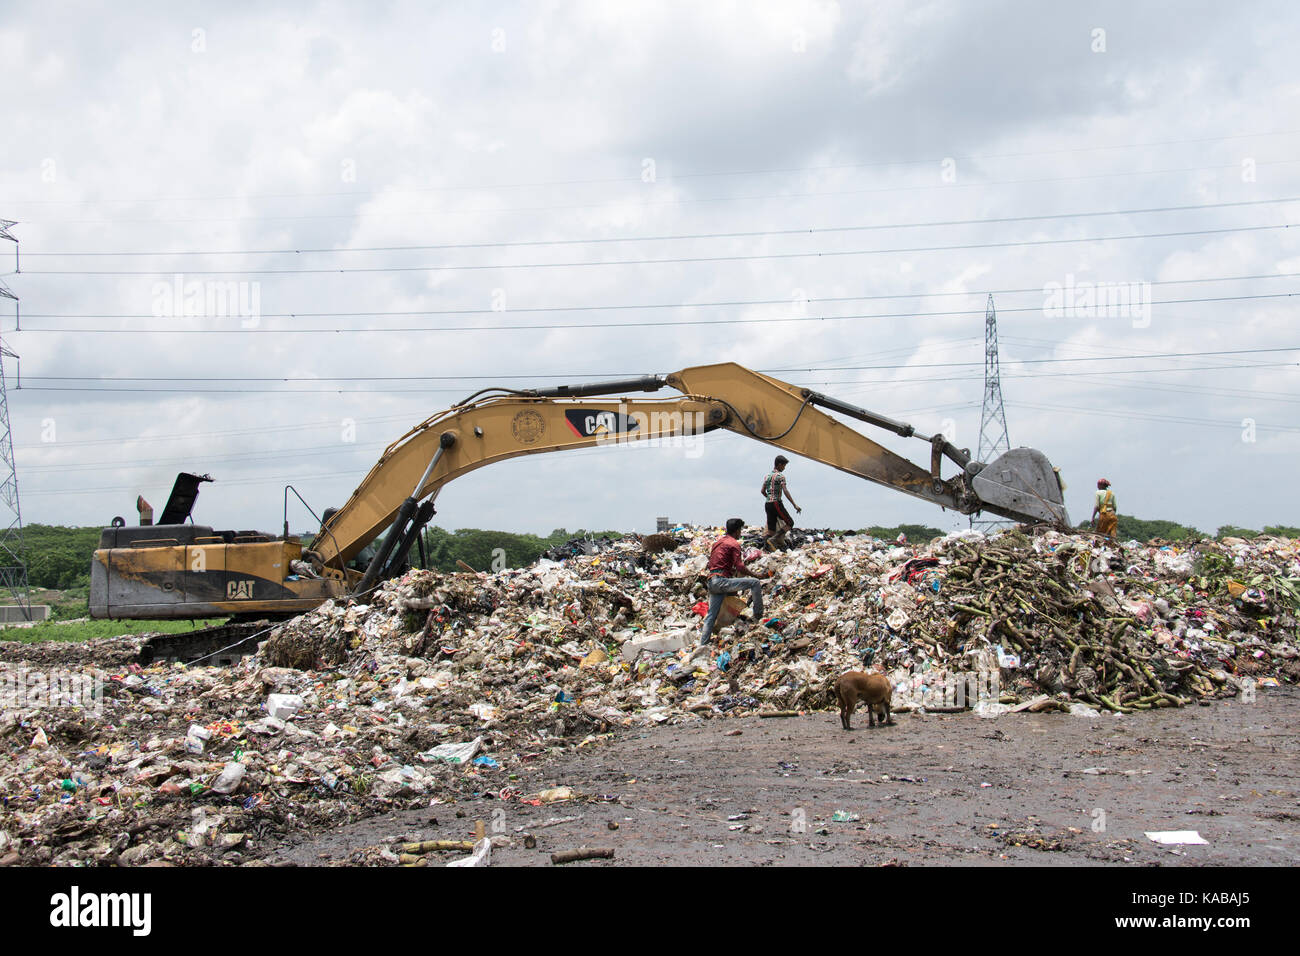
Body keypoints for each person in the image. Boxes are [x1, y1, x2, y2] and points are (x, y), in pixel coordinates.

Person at [699, 518, 764, 646]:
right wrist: (756, 575)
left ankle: (703, 645)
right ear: (737, 530)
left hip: (712, 582)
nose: (741, 533)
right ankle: (758, 615)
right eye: (740, 530)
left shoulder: (718, 543)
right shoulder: (734, 544)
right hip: (721, 581)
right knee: (755, 583)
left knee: (711, 616)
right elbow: (740, 566)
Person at [762, 455, 802, 549]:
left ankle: (766, 548)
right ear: (779, 465)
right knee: (790, 522)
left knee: (771, 530)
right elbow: (785, 490)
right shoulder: (780, 476)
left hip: (767, 504)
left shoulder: (767, 476)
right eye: (784, 466)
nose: (784, 468)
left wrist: (769, 498)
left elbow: (762, 491)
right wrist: (794, 505)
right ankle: (774, 539)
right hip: (776, 503)